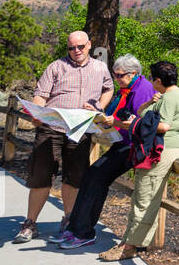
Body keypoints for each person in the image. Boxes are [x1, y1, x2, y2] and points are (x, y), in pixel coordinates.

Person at [13, 30, 113, 244]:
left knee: (74, 177)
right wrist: (37, 113)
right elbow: (40, 95)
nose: (76, 51)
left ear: (89, 45)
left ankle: (68, 220)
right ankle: (30, 223)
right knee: (41, 177)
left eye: (80, 46)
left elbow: (108, 88)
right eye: (71, 47)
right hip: (52, 128)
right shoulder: (56, 67)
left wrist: (100, 106)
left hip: (81, 129)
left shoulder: (100, 67)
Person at [56, 55, 155, 249]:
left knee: (95, 176)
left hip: (133, 145)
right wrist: (95, 111)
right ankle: (75, 228)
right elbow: (114, 112)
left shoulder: (142, 90)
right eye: (115, 75)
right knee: (92, 176)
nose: (116, 79)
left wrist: (114, 122)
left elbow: (138, 123)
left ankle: (83, 232)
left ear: (134, 73)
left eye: (120, 76)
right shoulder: (128, 88)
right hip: (121, 142)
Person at [100, 60, 179, 261]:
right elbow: (141, 113)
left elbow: (164, 126)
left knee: (144, 197)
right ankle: (132, 242)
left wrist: (136, 124)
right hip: (157, 147)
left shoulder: (172, 97)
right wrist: (150, 103)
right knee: (144, 195)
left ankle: (128, 246)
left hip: (163, 149)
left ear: (157, 80)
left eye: (151, 79)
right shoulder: (166, 95)